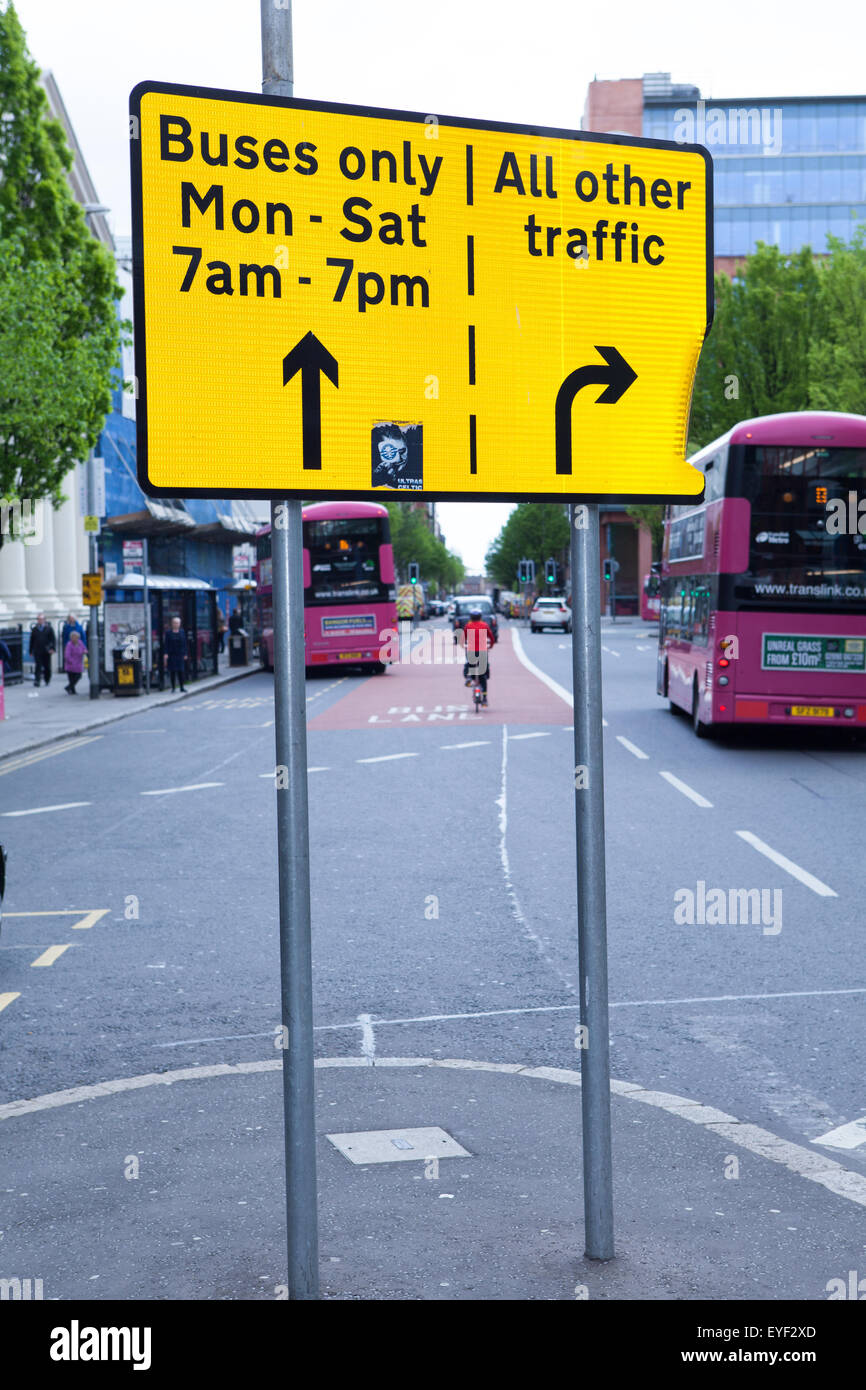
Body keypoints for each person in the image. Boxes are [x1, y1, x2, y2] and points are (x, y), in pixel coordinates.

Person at [461, 606, 496, 705]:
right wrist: (491, 646)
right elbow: (492, 638)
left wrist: (464, 645)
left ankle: (468, 677)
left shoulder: (468, 626)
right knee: (483, 676)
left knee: (469, 664)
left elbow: (463, 639)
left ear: (471, 617)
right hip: (483, 652)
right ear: (480, 617)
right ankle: (484, 698)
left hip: (472, 651)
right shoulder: (484, 625)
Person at [29, 614, 55, 690]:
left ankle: (47, 679)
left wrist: (52, 648)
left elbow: (52, 639)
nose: (39, 620)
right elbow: (32, 641)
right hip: (37, 650)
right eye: (38, 619)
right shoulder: (35, 629)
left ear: (44, 620)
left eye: (41, 619)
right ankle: (37, 680)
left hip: (46, 650)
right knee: (38, 666)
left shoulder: (49, 628)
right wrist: (31, 650)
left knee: (47, 666)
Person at [163, 616, 188, 692]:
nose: (176, 624)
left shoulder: (182, 632)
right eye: (174, 623)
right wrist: (166, 653)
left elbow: (184, 644)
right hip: (172, 654)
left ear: (179, 624)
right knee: (172, 671)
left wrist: (185, 654)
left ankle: (181, 687)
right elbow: (166, 644)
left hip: (180, 654)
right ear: (172, 623)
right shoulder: (168, 633)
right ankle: (173, 687)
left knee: (181, 671)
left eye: (177, 623)